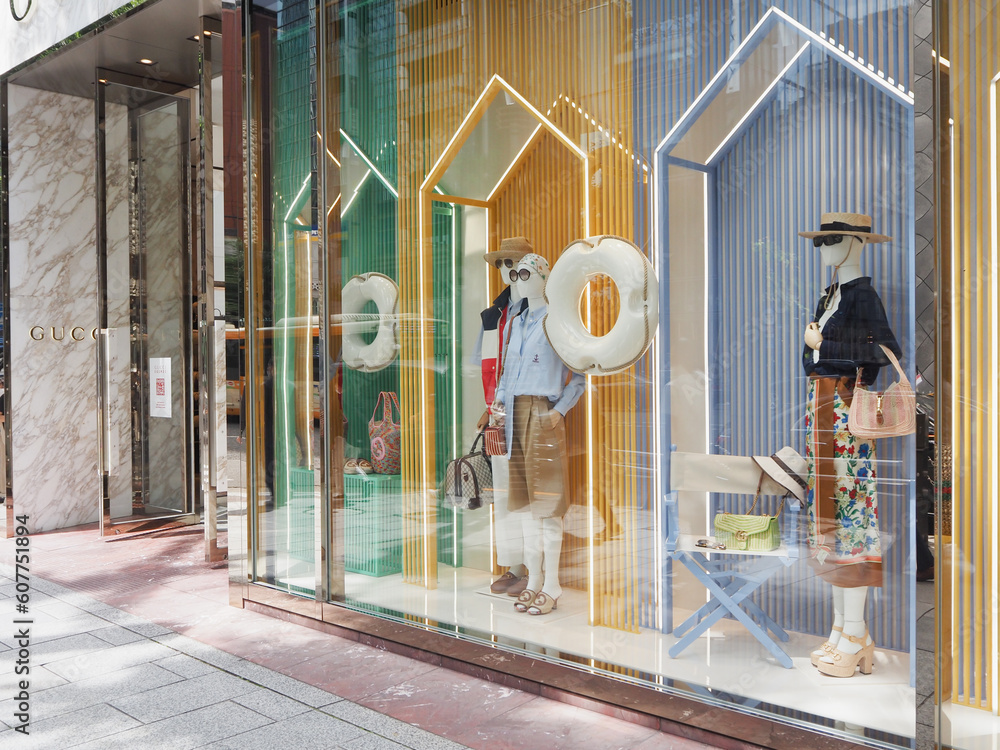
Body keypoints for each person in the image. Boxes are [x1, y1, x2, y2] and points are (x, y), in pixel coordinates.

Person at [799, 212, 901, 678]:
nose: (823, 249)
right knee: (832, 520)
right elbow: (808, 360)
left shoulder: (863, 295)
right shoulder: (831, 293)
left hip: (845, 415)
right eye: (820, 241)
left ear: (857, 241)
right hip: (823, 412)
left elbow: (882, 354)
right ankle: (842, 629)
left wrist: (823, 349)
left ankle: (856, 632)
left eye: (832, 239)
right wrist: (815, 349)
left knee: (854, 518)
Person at [493, 253, 585, 616]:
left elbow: (578, 376)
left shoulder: (557, 320)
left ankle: (552, 584)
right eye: (514, 273)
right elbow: (506, 373)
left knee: (548, 505)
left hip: (542, 412)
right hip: (514, 414)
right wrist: (497, 412)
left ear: (544, 277)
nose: (517, 279)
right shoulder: (515, 322)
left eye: (525, 272)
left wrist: (557, 412)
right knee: (527, 506)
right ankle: (533, 579)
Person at [471, 237, 531, 596]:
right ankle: (514, 566)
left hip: (531, 411)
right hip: (499, 415)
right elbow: (488, 366)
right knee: (506, 492)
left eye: (514, 262)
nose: (507, 270)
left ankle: (536, 570)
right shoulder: (493, 314)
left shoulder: (542, 308)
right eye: (501, 264)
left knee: (532, 493)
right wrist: (490, 407)